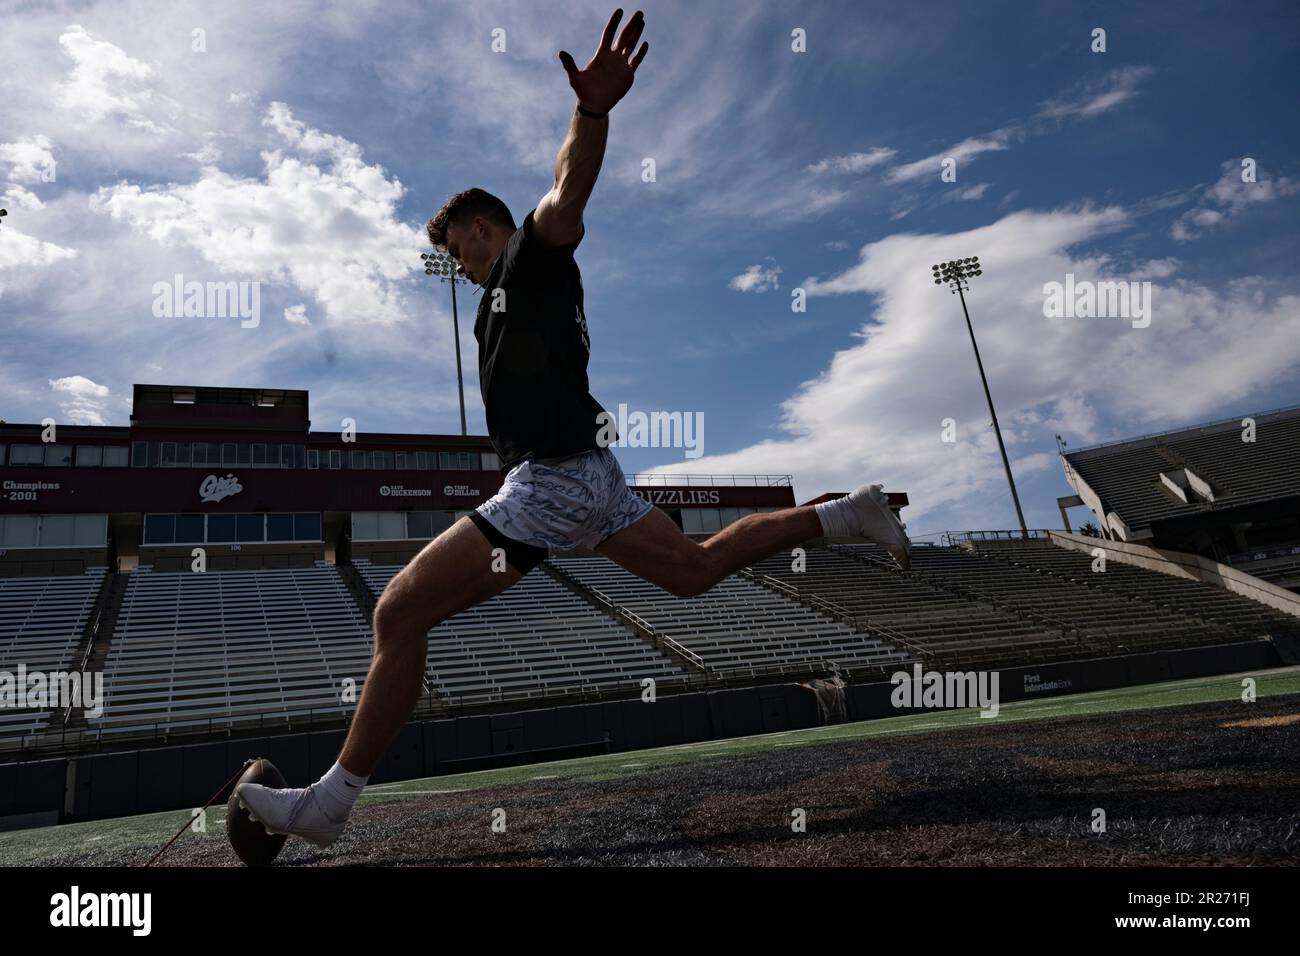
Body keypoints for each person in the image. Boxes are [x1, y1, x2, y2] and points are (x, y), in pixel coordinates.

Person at [236, 7, 908, 848]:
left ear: (484, 228)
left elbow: (566, 190)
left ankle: (329, 805)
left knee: (397, 617)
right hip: (592, 478)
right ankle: (845, 515)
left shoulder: (530, 256)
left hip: (553, 483)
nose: (460, 268)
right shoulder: (507, 294)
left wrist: (591, 114)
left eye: (459, 252)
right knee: (694, 571)